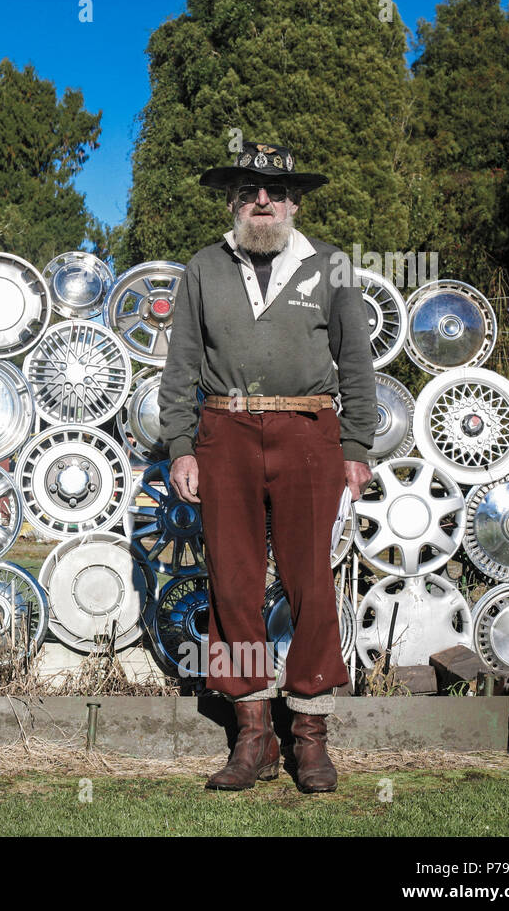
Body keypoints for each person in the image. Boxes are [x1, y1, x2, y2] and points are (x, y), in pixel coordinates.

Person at [157, 141, 376, 793]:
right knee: (233, 584)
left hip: (309, 431)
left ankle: (310, 737)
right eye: (250, 190)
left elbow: (356, 363)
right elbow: (181, 369)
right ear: (234, 201)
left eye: (275, 192)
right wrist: (180, 445)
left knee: (311, 581)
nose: (262, 201)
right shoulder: (203, 268)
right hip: (224, 430)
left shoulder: (330, 265)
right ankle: (254, 735)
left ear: (293, 203)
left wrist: (358, 449)